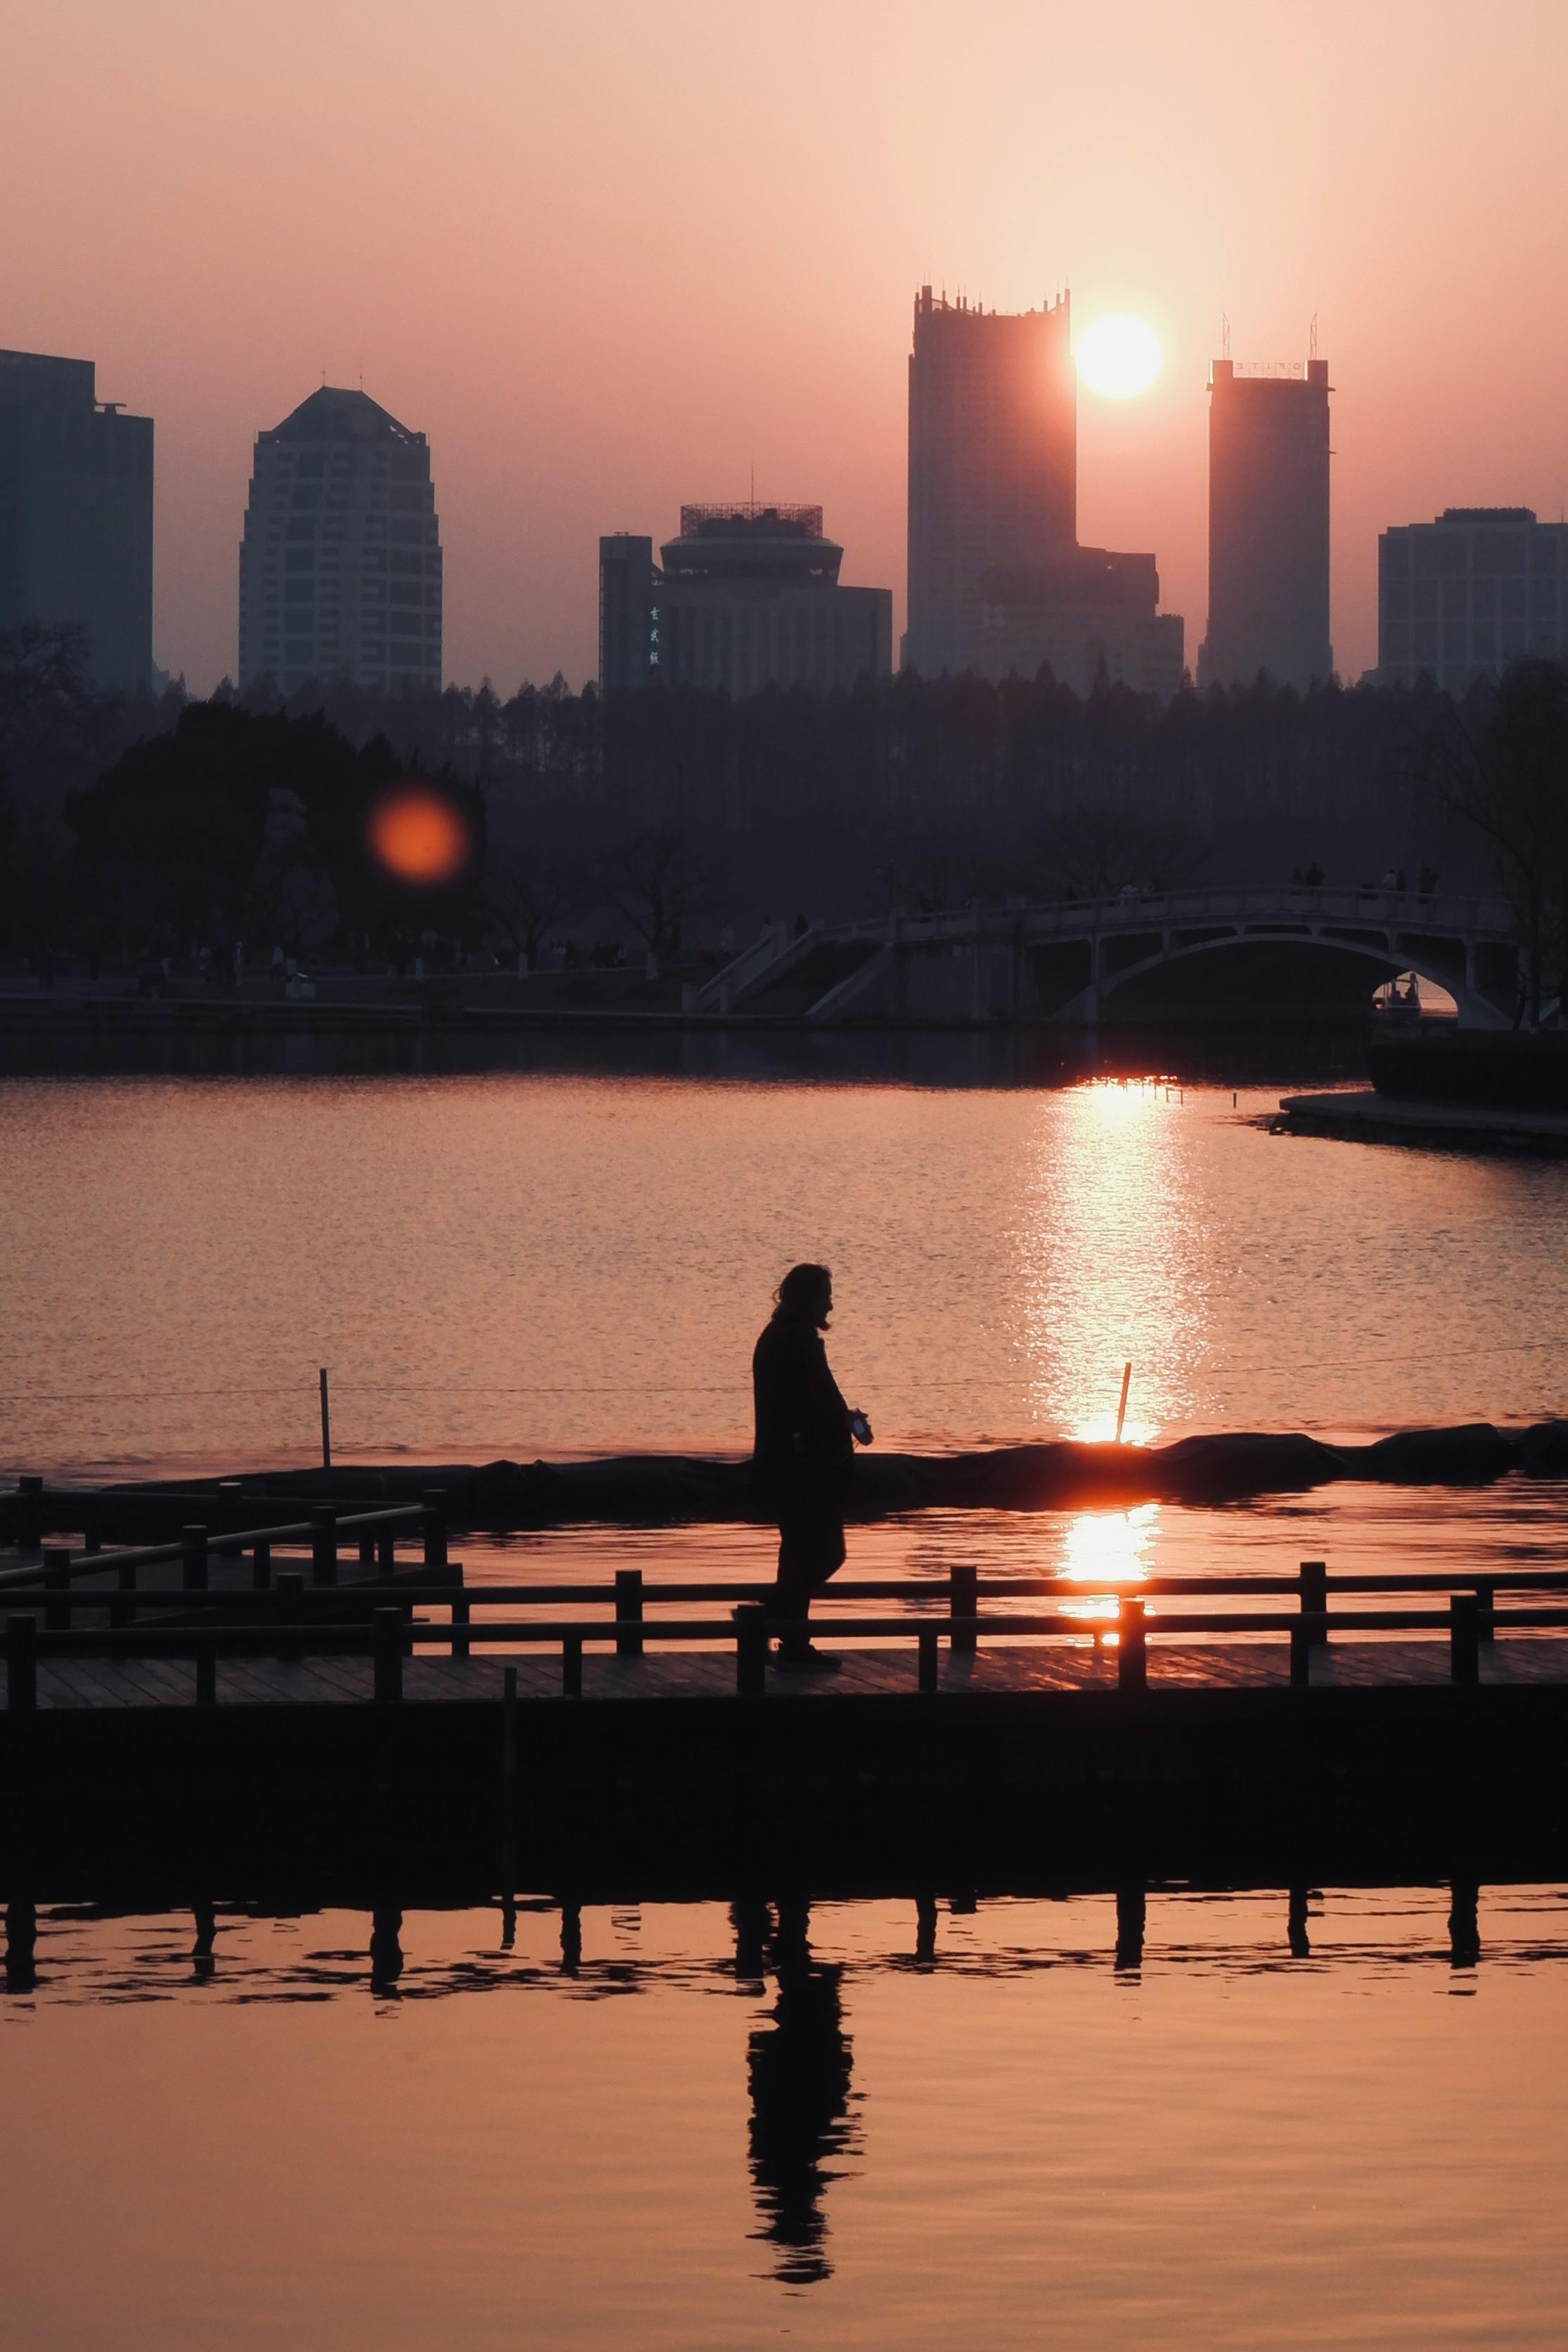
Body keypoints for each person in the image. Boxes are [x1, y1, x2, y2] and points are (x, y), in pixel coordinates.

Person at [752, 1263, 870, 1671]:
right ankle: (768, 1616)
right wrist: (848, 1421)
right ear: (808, 1299)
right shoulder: (798, 1341)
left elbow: (812, 1401)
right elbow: (819, 1403)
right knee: (827, 1553)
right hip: (803, 1469)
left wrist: (843, 1417)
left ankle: (791, 1641)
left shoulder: (779, 1337)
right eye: (825, 1295)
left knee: (799, 1553)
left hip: (782, 1464)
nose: (831, 1303)